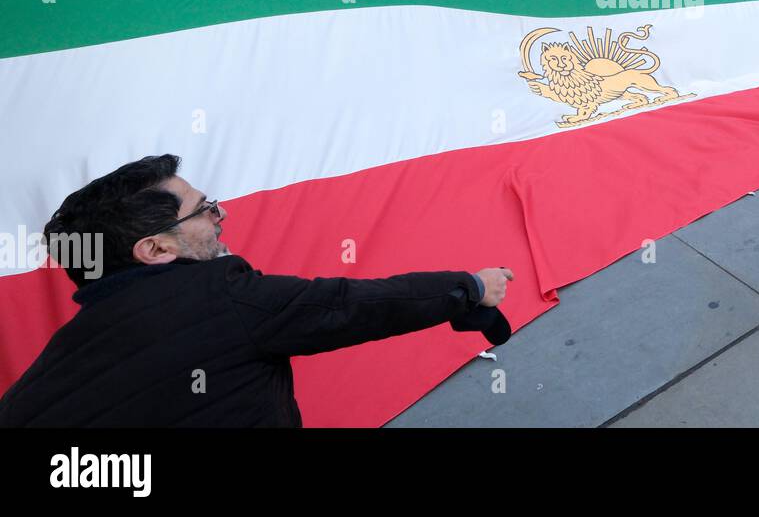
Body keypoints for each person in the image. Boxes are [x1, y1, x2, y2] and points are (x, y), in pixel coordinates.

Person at [0, 155, 512, 426]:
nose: (222, 215)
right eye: (204, 209)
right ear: (154, 250)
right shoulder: (219, 296)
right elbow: (351, 306)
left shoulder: (38, 380)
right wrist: (469, 287)